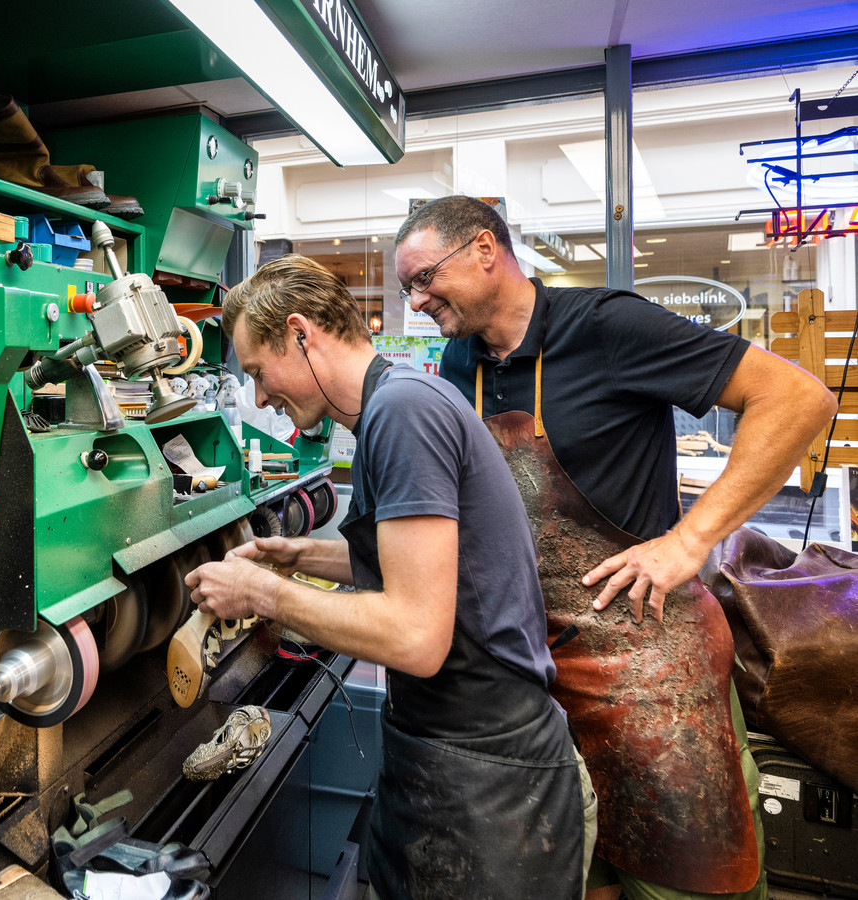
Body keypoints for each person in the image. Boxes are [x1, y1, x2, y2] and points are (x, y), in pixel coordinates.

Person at [394, 195, 836, 900]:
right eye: (406, 287)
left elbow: (797, 398)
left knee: (688, 883)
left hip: (651, 670)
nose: (415, 301)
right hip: (537, 680)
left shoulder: (606, 326)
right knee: (580, 881)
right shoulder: (459, 361)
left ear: (484, 250)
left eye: (423, 279)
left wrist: (689, 540)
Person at [183, 254, 596, 899]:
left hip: (493, 786)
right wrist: (296, 556)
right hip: (450, 761)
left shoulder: (400, 413)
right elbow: (419, 564)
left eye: (260, 373)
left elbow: (415, 636)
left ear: (301, 333)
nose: (260, 396)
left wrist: (265, 593)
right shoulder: (394, 401)